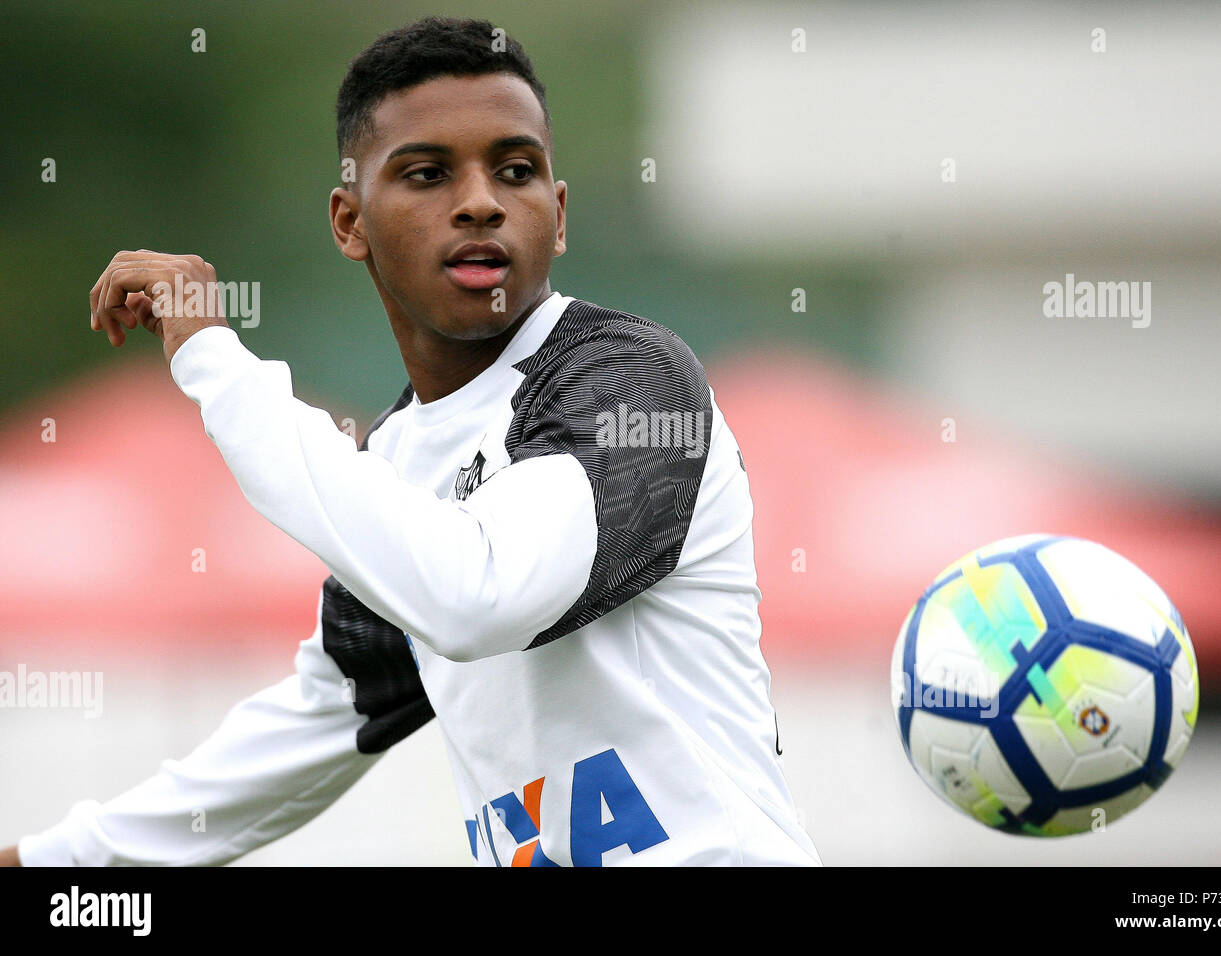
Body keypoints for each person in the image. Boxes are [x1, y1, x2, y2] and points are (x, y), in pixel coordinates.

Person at [4, 15, 820, 867]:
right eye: (428, 174)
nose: (480, 201)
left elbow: (479, 596)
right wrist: (54, 861)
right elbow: (320, 723)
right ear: (350, 223)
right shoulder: (401, 463)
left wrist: (214, 357)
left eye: (516, 170)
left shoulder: (628, 381)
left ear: (560, 213)